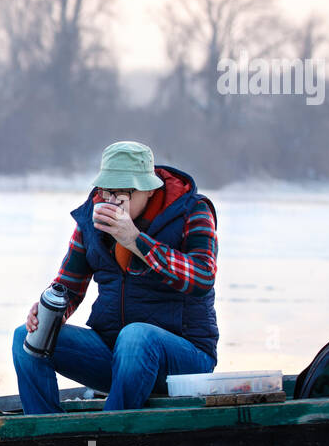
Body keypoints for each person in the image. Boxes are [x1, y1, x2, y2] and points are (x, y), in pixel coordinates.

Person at [12, 141, 218, 413]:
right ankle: (44, 437)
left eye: (120, 195)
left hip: (184, 361)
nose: (109, 202)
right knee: (27, 338)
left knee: (137, 336)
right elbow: (69, 286)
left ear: (148, 189)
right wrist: (51, 311)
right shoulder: (92, 217)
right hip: (114, 354)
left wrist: (136, 241)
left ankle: (109, 437)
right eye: (105, 192)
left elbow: (202, 278)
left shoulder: (192, 211)